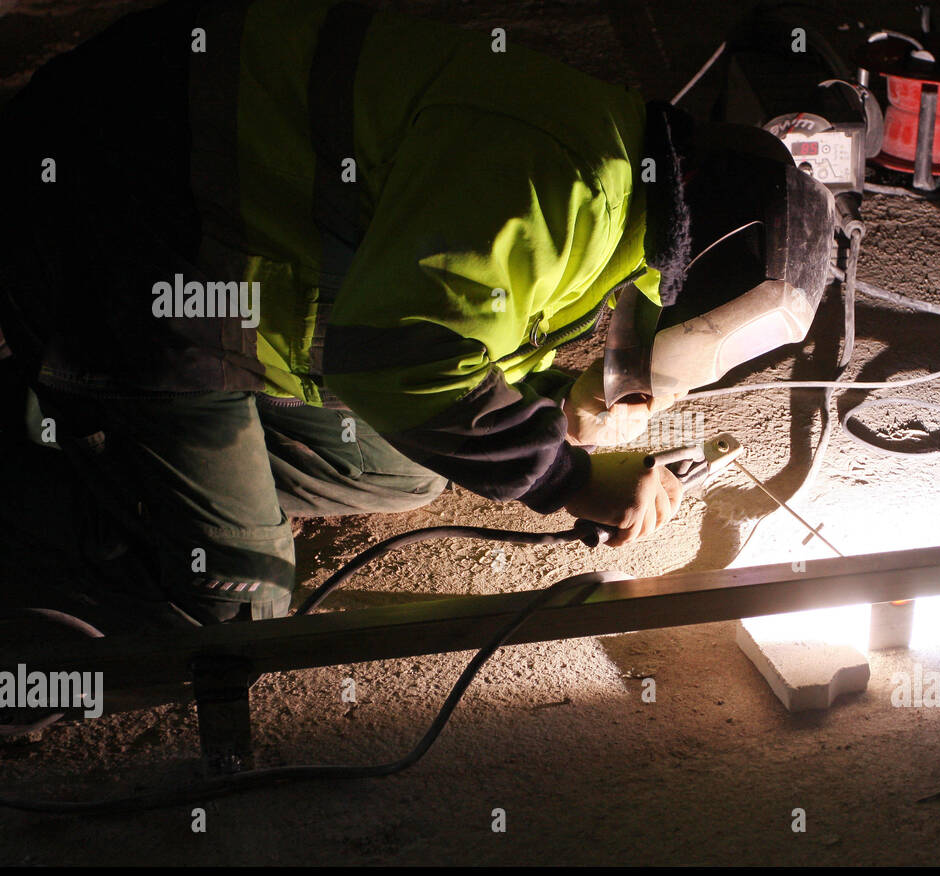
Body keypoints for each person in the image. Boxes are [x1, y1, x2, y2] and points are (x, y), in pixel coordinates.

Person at [0, 0, 703, 626]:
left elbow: (464, 323)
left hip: (216, 262)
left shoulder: (623, 183)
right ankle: (41, 494)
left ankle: (138, 468)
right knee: (241, 602)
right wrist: (568, 480)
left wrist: (549, 405)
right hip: (118, 250)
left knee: (404, 468)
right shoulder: (561, 184)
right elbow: (403, 355)